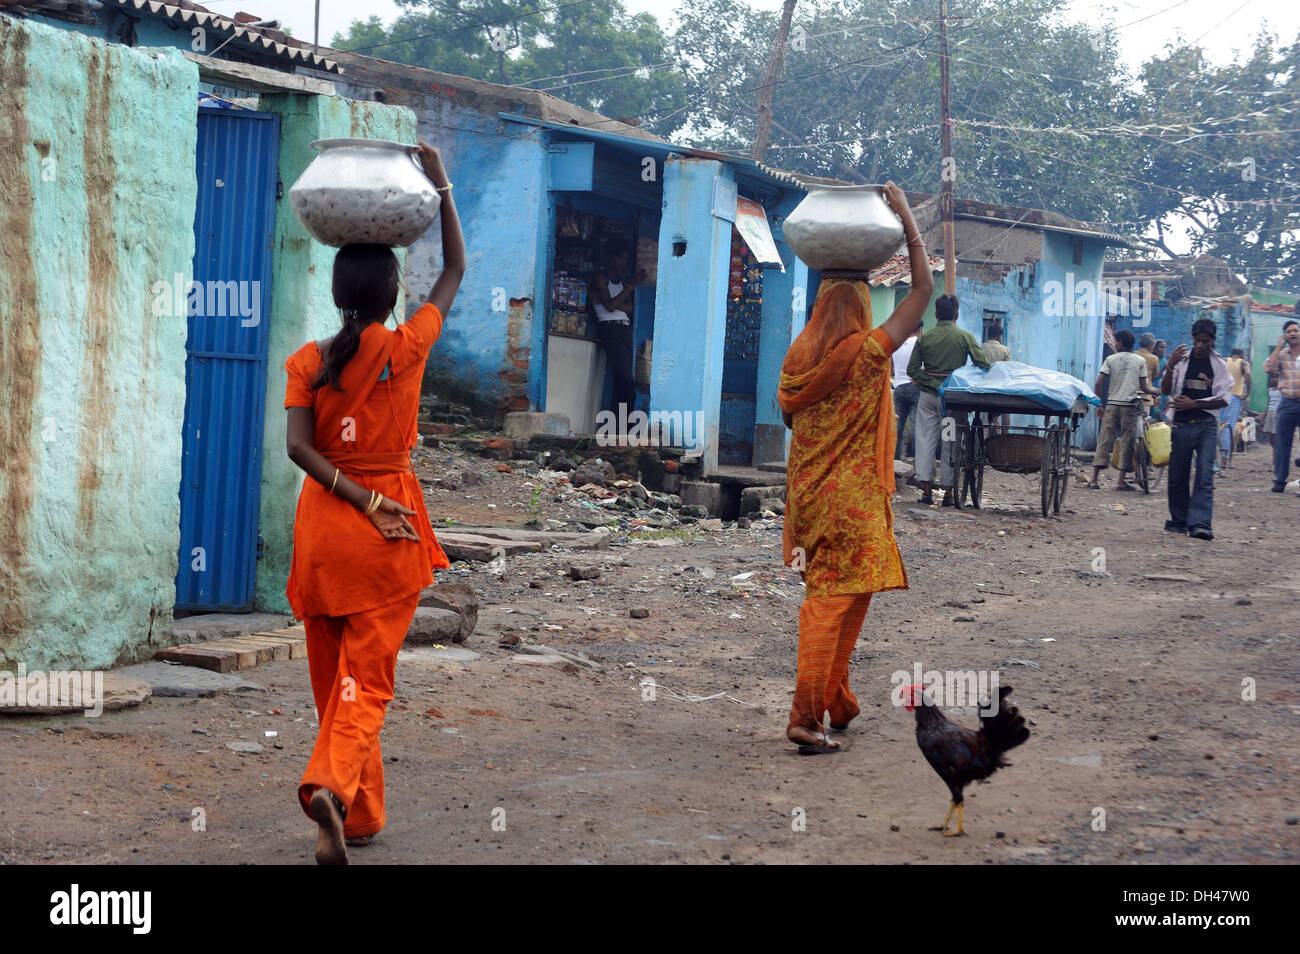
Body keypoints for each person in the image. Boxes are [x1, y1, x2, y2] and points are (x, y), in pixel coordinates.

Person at [283, 143, 465, 865]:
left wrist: (346, 493)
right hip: (386, 529)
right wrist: (442, 184)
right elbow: (454, 269)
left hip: (321, 536)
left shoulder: (306, 360)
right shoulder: (407, 347)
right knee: (369, 684)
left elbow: (299, 450)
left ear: (336, 294)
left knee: (338, 684)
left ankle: (357, 817)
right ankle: (327, 784)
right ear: (393, 294)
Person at [779, 182, 931, 754]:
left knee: (853, 591)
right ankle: (804, 716)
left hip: (811, 500)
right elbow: (923, 290)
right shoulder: (869, 354)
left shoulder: (798, 358)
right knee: (830, 601)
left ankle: (836, 699)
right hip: (855, 500)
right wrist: (908, 218)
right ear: (864, 310)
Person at [908, 295, 991, 505]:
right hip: (952, 402)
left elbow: (912, 370)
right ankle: (948, 493)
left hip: (928, 398)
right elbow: (983, 364)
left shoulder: (924, 339)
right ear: (957, 315)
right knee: (950, 442)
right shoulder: (965, 337)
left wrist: (933, 383)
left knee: (925, 440)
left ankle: (926, 491)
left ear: (936, 314)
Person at [1161, 317, 1230, 539]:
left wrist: (1195, 403)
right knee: (1178, 473)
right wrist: (1170, 365)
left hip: (1207, 425)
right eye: (1198, 340)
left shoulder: (1219, 365)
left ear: (1213, 341)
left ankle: (1200, 524)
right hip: (1181, 424)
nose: (1201, 345)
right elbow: (1165, 390)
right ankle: (1179, 520)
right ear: (1193, 338)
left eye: (1206, 341)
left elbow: (1224, 399)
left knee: (1204, 473)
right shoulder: (1181, 361)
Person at [1088, 329, 1157, 490]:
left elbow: (1099, 383)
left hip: (1112, 405)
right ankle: (1120, 481)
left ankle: (1094, 480)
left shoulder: (1110, 359)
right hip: (1130, 407)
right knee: (1127, 442)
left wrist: (1099, 404)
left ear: (1120, 343)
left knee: (1105, 440)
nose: (1114, 343)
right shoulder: (1139, 361)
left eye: (1115, 341)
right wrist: (1155, 391)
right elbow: (1144, 386)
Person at [591, 240, 638, 423]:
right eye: (620, 257)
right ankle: (621, 425)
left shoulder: (621, 280)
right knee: (625, 380)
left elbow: (630, 307)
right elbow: (611, 307)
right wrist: (629, 289)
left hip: (624, 330)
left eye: (625, 259)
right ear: (610, 257)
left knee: (623, 380)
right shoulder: (601, 277)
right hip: (610, 329)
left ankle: (615, 426)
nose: (622, 262)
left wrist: (616, 300)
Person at [1263, 319, 1300, 492]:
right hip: (1288, 403)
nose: (1292, 333)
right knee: (1282, 443)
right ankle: (1280, 480)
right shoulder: (1282, 354)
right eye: (1289, 332)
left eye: (1295, 330)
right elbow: (1269, 368)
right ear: (1285, 336)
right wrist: (1278, 347)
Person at [1220, 347, 1252, 458]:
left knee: (1218, 424)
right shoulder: (1243, 363)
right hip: (1234, 397)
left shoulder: (1224, 360)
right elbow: (1247, 374)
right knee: (1229, 426)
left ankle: (1215, 456)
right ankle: (1224, 457)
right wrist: (1247, 392)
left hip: (1220, 396)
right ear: (1241, 355)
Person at [892, 331, 919, 460]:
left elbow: (891, 367)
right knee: (915, 427)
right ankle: (913, 460)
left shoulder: (897, 344)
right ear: (920, 330)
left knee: (897, 427)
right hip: (915, 386)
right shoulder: (919, 343)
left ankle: (895, 460)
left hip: (898, 387)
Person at [981, 321, 1012, 429]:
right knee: (1007, 411)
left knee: (991, 414)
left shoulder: (981, 348)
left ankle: (992, 428)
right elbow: (1008, 370)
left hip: (983, 386)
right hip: (1000, 387)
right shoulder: (1005, 350)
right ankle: (1004, 435)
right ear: (999, 336)